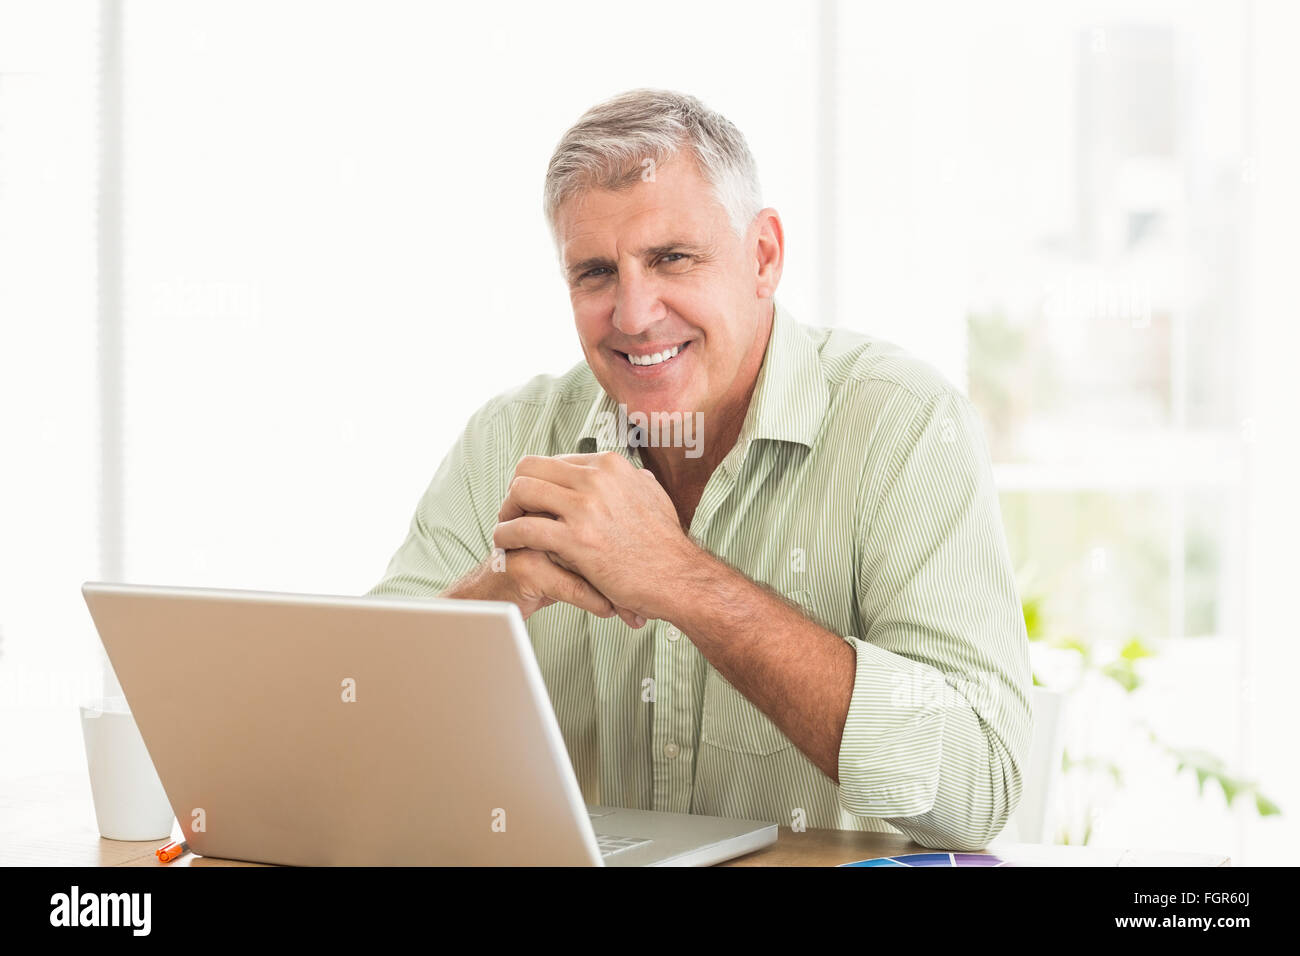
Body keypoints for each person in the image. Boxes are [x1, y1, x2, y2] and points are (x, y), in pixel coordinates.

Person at [368, 88, 1031, 851]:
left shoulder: (905, 425)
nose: (634, 313)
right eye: (594, 273)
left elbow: (978, 788)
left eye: (670, 258)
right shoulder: (507, 439)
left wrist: (680, 579)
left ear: (763, 257)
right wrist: (497, 591)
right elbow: (352, 728)